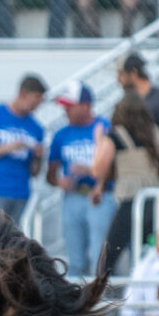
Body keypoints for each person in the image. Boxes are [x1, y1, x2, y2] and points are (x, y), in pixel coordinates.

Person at [93, 91, 159, 275]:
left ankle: (100, 291)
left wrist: (98, 141)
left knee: (110, 253)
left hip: (129, 200)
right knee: (148, 251)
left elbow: (97, 169)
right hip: (155, 199)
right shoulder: (155, 133)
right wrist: (151, 171)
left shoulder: (115, 136)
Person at [46, 80, 111, 278]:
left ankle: (101, 302)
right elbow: (50, 173)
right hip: (73, 197)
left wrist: (92, 169)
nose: (65, 111)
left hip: (100, 196)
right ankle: (78, 305)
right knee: (75, 260)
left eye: (70, 106)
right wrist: (59, 182)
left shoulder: (104, 127)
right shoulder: (61, 134)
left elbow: (115, 167)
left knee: (97, 256)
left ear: (85, 106)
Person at [0, 74, 46, 225]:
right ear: (23, 94)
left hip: (20, 193)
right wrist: (9, 147)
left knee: (11, 240)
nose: (38, 104)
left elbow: (34, 172)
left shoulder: (36, 127)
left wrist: (38, 157)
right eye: (36, 98)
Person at [116, 53, 159, 157]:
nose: (118, 80)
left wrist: (153, 158)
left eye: (121, 74)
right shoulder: (125, 103)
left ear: (133, 73)